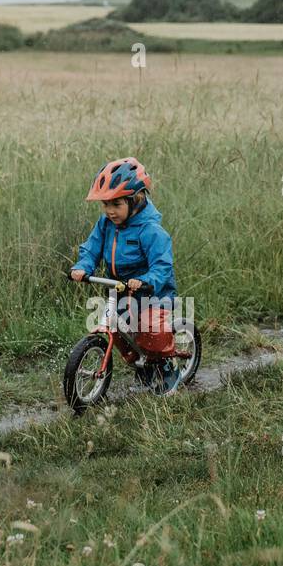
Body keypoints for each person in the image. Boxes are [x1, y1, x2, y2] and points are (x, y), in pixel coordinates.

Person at [69, 157, 182, 391]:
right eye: (106, 205)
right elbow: (92, 247)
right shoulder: (106, 224)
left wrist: (144, 281)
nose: (110, 211)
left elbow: (162, 266)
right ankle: (141, 366)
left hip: (152, 292)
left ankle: (165, 366)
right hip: (120, 290)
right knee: (115, 329)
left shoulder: (151, 230)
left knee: (150, 328)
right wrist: (83, 267)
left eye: (116, 204)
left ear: (136, 199)